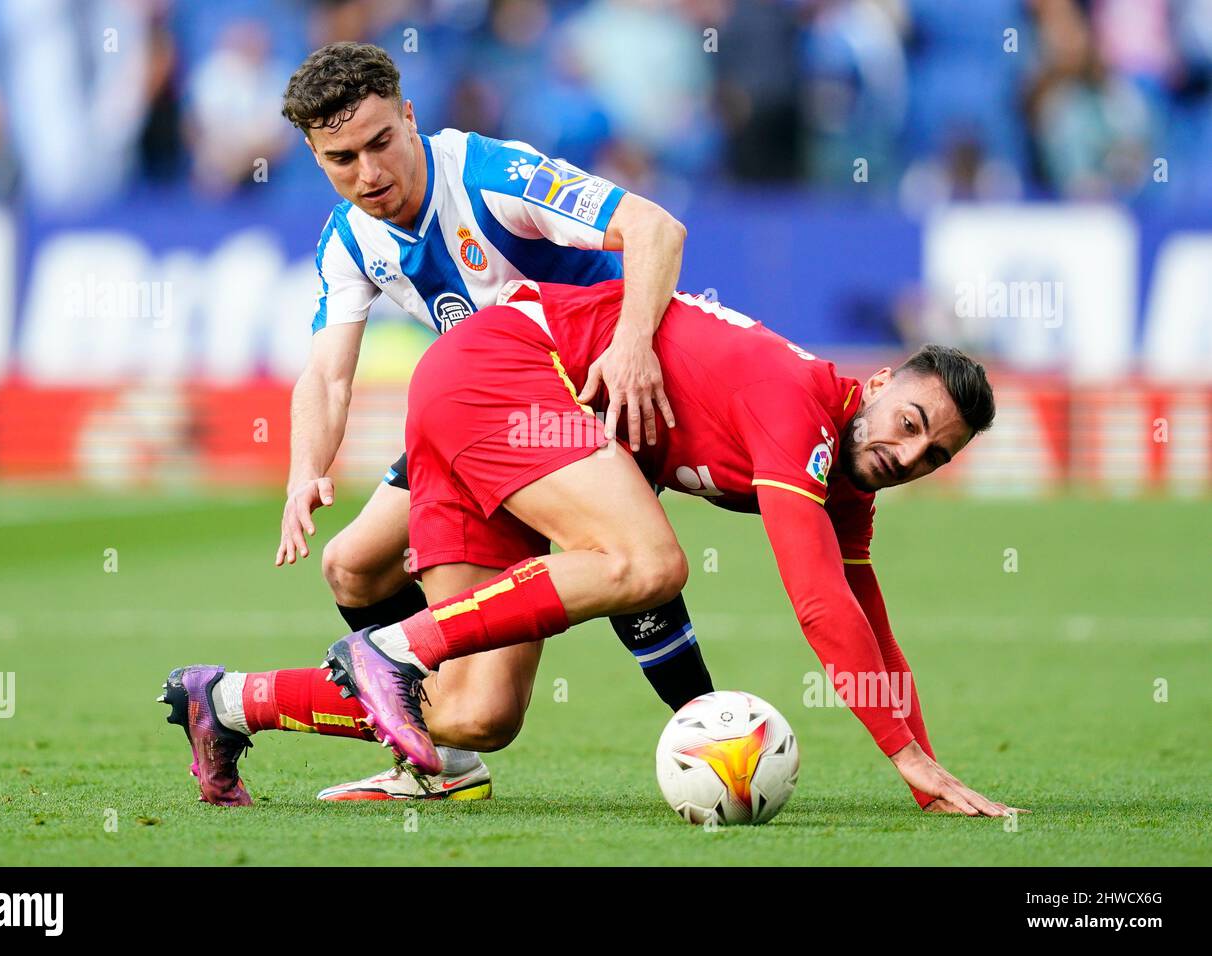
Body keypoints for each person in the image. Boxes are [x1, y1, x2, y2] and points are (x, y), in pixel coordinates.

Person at [166, 278, 1021, 816]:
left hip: (533, 428)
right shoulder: (795, 406)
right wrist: (897, 751)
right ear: (876, 385)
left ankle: (231, 701)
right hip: (505, 373)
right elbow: (817, 602)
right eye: (911, 425)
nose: (909, 457)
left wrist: (925, 770)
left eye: (933, 457)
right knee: (648, 558)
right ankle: (392, 648)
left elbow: (869, 620)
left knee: (478, 717)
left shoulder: (846, 478)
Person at [270, 42, 714, 800]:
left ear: (410, 118)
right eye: (342, 158)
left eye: (381, 143)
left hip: (588, 392)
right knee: (353, 564)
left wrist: (632, 344)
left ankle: (709, 726)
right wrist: (303, 472)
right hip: (483, 410)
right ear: (317, 158)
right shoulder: (348, 239)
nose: (369, 174)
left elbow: (653, 228)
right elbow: (325, 374)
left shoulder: (492, 174)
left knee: (609, 552)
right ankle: (435, 753)